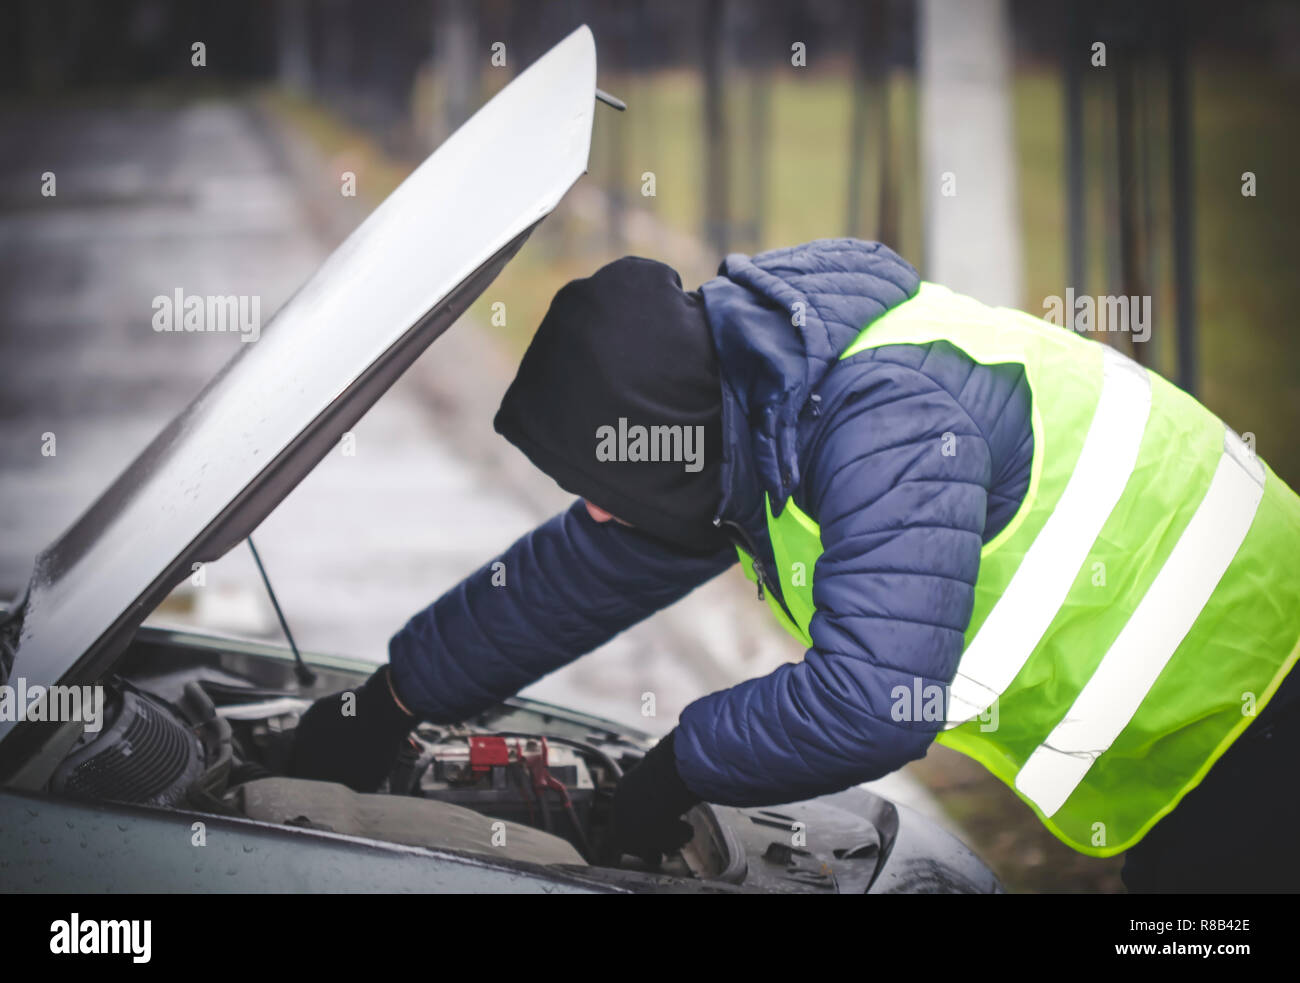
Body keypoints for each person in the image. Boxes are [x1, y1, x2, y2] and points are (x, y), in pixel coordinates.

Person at [290, 238, 1300, 891]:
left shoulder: (883, 418)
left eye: (600, 476)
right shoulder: (735, 407)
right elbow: (575, 572)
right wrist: (390, 700)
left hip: (1263, 678)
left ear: (663, 435)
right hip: (1200, 708)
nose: (595, 504)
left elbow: (875, 700)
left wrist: (676, 766)